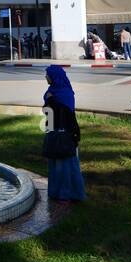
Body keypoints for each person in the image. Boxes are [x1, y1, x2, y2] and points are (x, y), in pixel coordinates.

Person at [42, 64, 86, 202]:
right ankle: (55, 192)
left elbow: (67, 115)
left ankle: (66, 194)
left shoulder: (64, 94)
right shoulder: (52, 91)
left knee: (64, 165)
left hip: (64, 132)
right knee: (55, 162)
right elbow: (48, 113)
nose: (46, 77)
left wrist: (50, 101)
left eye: (47, 75)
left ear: (54, 76)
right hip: (53, 130)